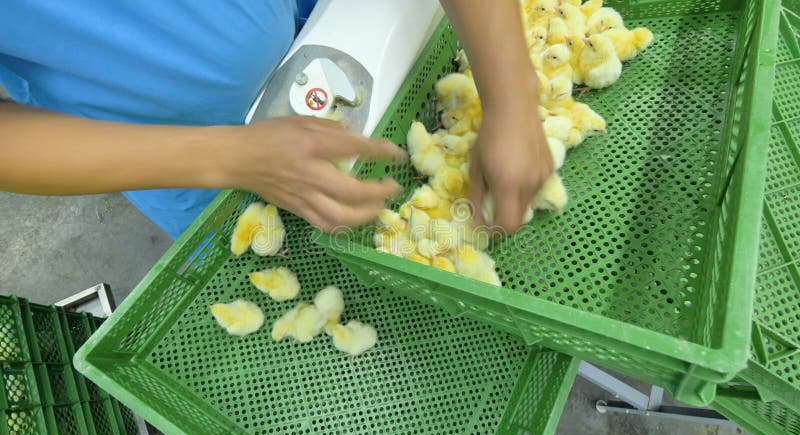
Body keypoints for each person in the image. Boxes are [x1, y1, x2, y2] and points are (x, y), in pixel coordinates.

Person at [0, 0, 553, 240]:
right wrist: (225, 157)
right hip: (173, 151)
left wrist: (509, 92)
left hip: (321, 23)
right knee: (282, 254)